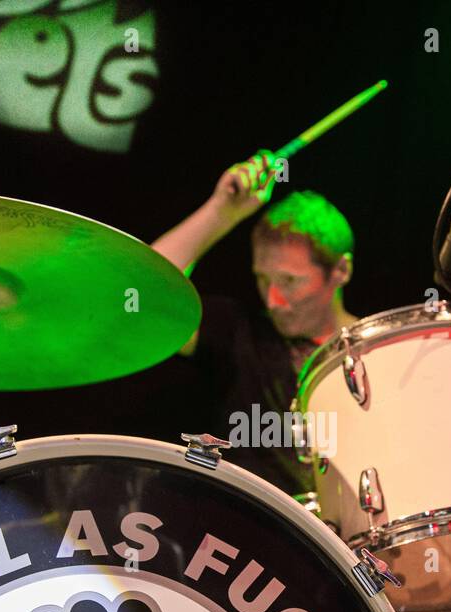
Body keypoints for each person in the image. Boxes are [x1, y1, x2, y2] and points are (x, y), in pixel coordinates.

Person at [152, 152, 358, 494]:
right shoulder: (238, 331)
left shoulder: (382, 352)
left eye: (290, 281)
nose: (273, 299)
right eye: (263, 279)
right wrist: (221, 212)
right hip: (250, 538)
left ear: (341, 271)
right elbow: (144, 296)